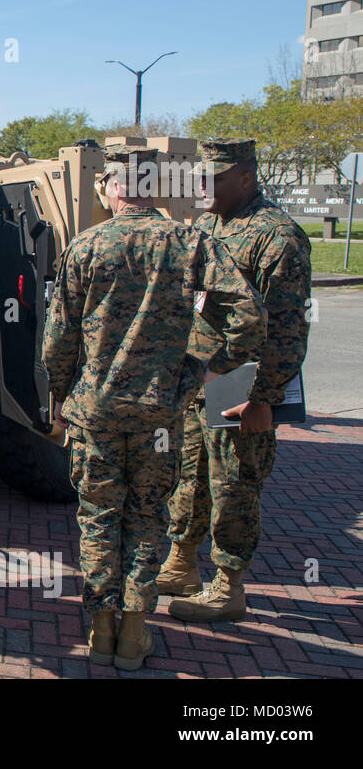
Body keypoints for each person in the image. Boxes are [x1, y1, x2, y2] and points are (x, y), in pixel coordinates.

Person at [43, 145, 267, 670]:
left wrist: (59, 397)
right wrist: (207, 369)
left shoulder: (87, 245)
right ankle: (134, 634)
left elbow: (57, 341)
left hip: (95, 412)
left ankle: (101, 631)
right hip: (160, 415)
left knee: (99, 518)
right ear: (157, 186)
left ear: (114, 188)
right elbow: (249, 316)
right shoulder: (190, 241)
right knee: (146, 519)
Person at [161, 139, 314, 623]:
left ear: (246, 177)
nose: (203, 188)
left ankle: (228, 585)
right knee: (190, 477)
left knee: (234, 486)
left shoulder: (277, 236)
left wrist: (263, 399)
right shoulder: (207, 224)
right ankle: (182, 562)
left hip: (240, 382)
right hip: (200, 374)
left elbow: (288, 328)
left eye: (215, 179)